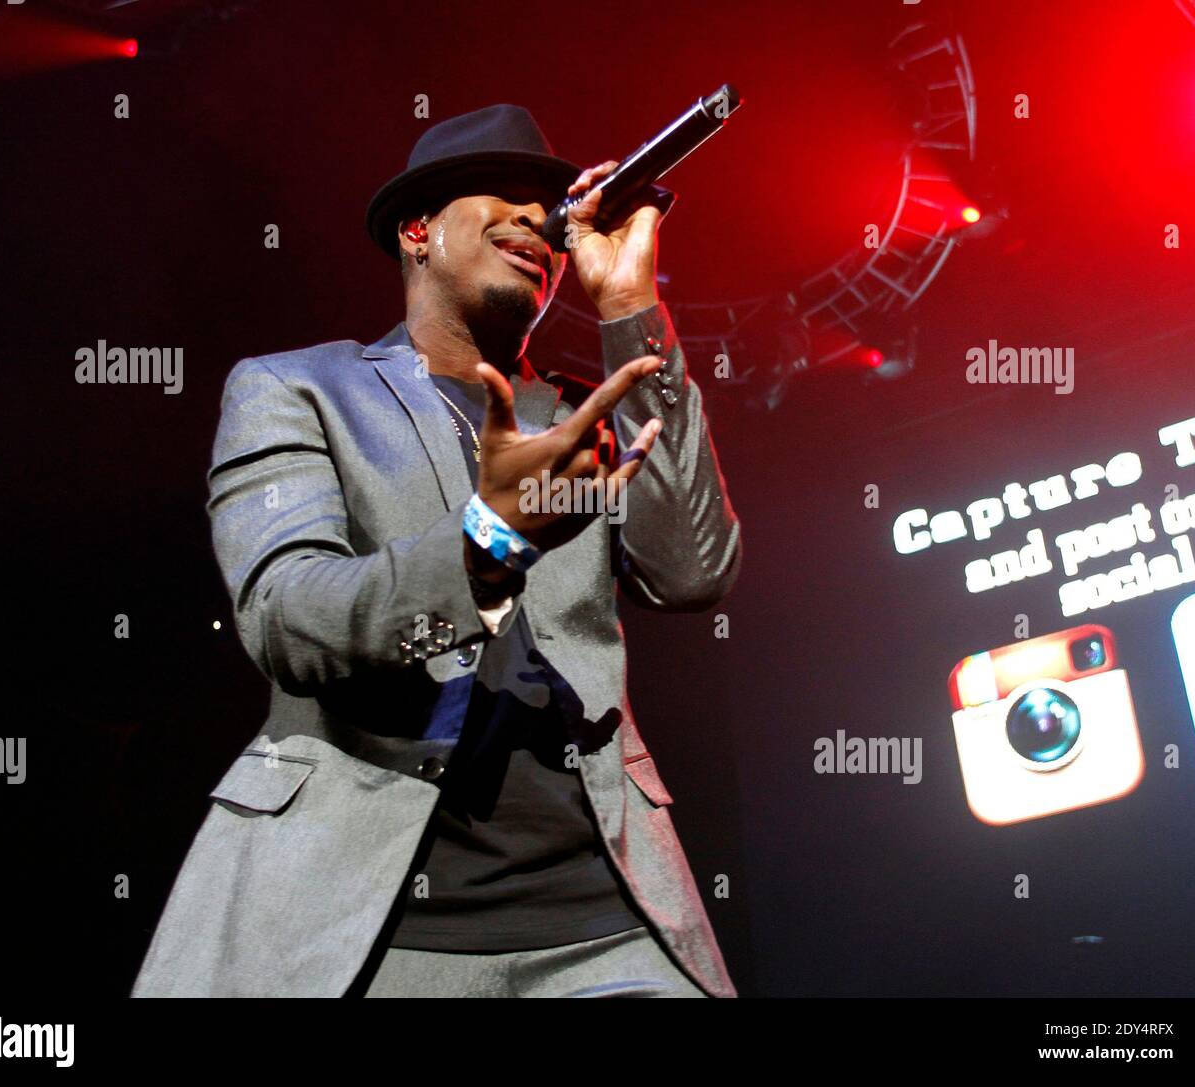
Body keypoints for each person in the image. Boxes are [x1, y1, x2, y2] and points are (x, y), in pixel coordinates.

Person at [130, 103, 742, 998]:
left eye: (551, 207)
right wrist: (486, 545)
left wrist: (627, 305)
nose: (540, 220)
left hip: (603, 919)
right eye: (507, 196)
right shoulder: (298, 388)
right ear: (418, 229)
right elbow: (287, 616)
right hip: (368, 923)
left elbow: (692, 570)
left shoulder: (581, 415)